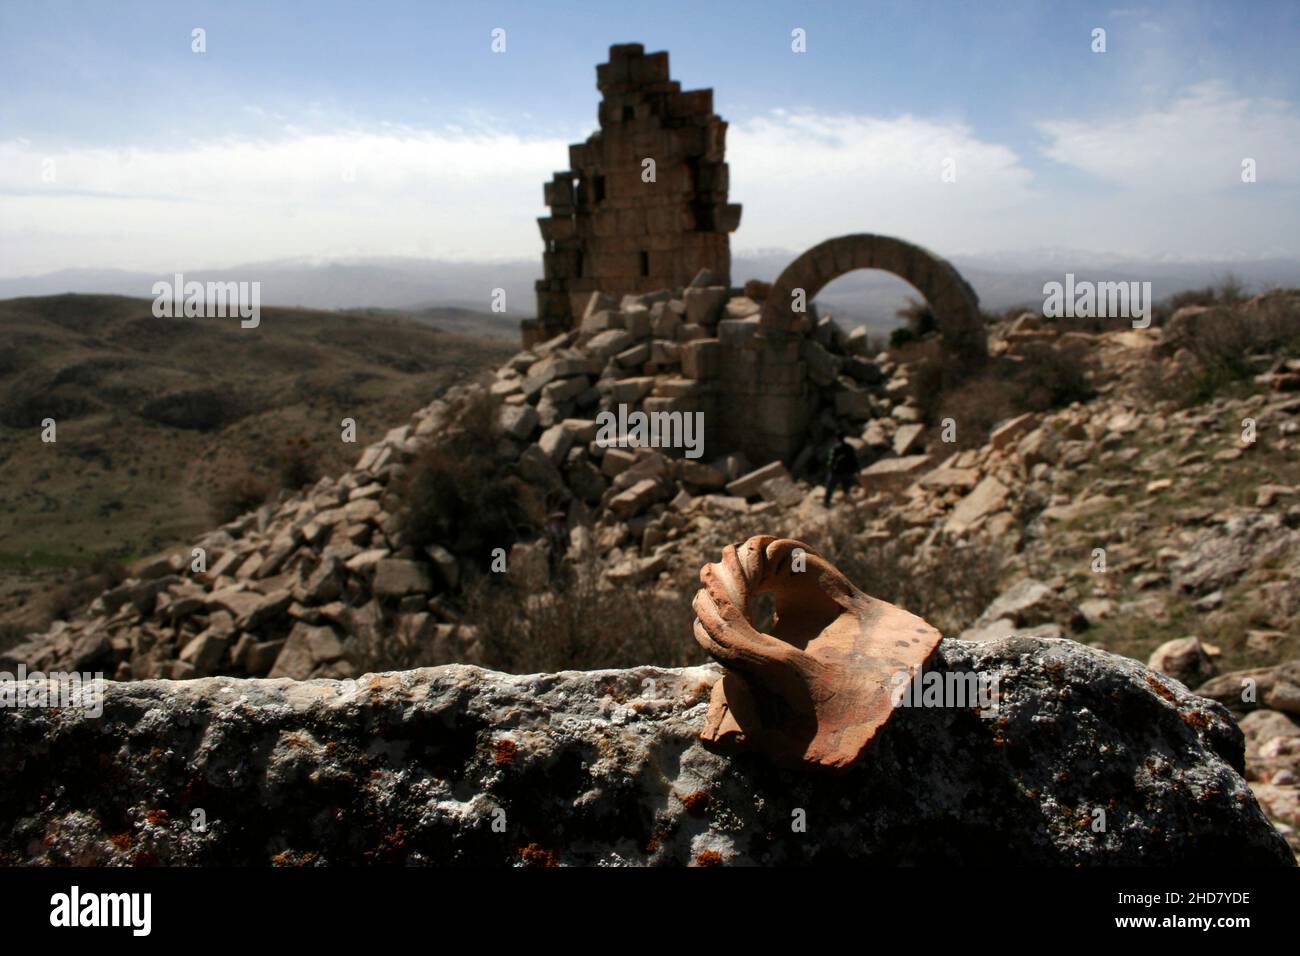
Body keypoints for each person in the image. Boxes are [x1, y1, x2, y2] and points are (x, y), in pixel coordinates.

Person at [823, 435, 858, 507]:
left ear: (837, 439)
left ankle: (826, 503)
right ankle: (849, 505)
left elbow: (831, 461)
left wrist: (830, 468)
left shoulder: (835, 449)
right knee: (846, 489)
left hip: (836, 473)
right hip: (848, 472)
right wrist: (857, 470)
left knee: (830, 488)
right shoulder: (850, 447)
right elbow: (854, 459)